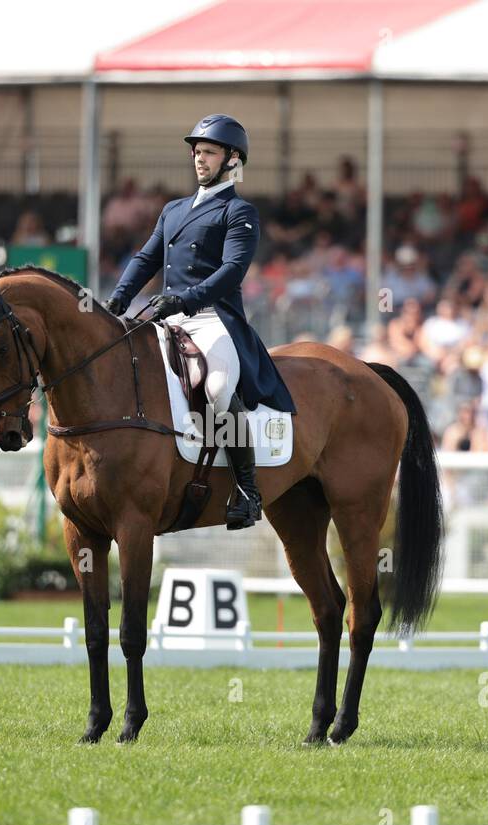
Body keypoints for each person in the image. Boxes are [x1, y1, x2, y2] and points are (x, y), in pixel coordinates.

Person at [103, 114, 297, 530]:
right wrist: (119, 297)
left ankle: (247, 490)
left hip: (211, 318)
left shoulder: (238, 210)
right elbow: (146, 258)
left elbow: (232, 270)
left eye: (208, 152)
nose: (199, 158)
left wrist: (184, 299)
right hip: (166, 316)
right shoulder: (173, 210)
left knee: (217, 387)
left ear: (232, 159)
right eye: (196, 151)